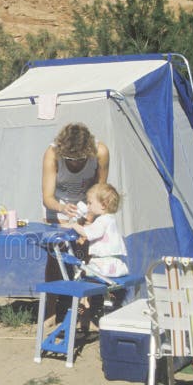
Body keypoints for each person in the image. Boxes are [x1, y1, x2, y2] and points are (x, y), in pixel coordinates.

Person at [40, 122, 109, 326]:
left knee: (86, 255)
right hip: (59, 204)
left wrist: (87, 221)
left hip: (88, 203)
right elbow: (47, 197)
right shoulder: (52, 154)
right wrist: (62, 209)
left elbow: (101, 191)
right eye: (71, 159)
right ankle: (51, 310)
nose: (76, 163)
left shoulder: (100, 152)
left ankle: (85, 310)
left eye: (80, 159)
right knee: (56, 256)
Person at [59, 183, 128, 330]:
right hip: (114, 264)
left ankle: (83, 309)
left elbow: (89, 233)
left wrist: (73, 226)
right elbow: (91, 230)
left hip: (105, 265)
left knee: (80, 276)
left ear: (103, 205)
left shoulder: (103, 220)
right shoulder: (110, 219)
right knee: (83, 272)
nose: (88, 206)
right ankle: (87, 310)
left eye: (90, 203)